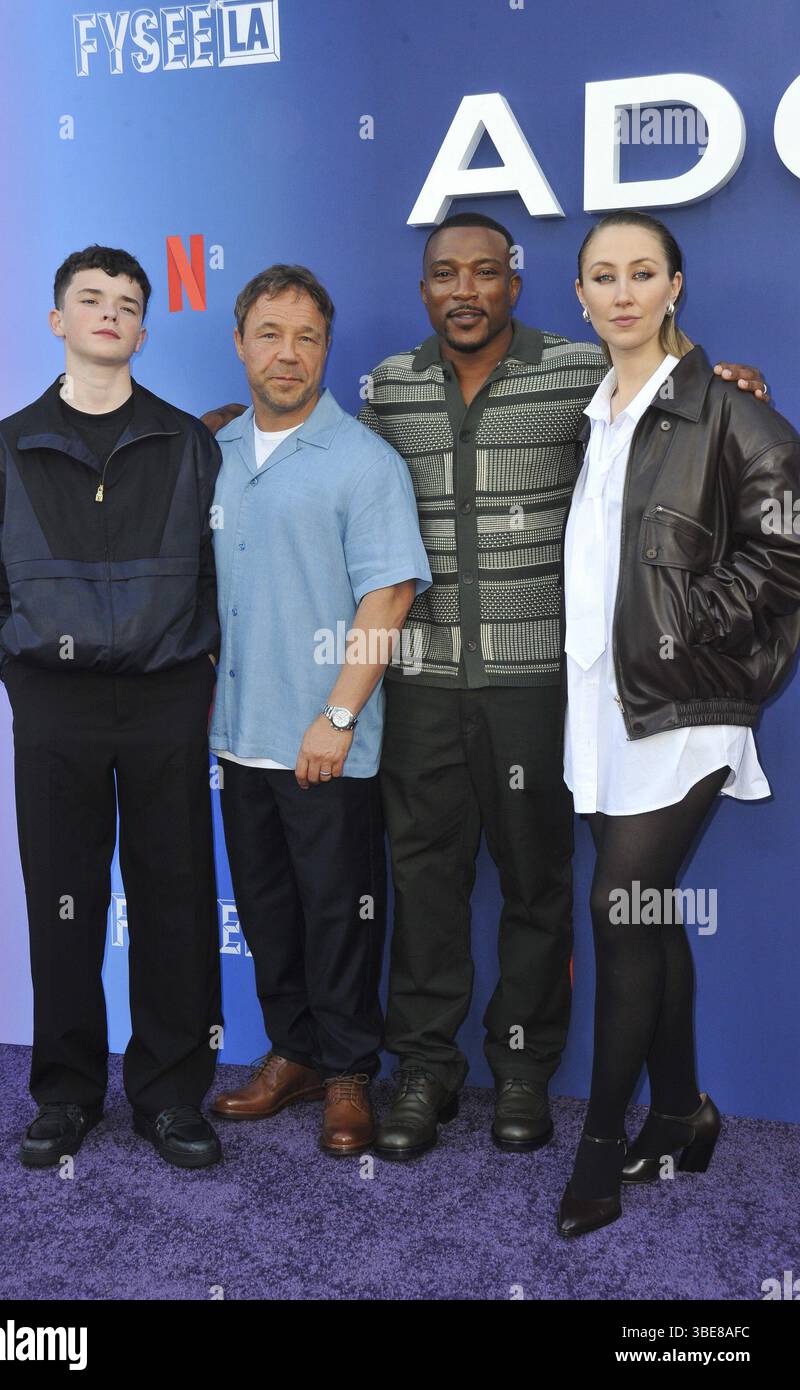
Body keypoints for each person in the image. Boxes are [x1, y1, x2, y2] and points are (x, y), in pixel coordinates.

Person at [355, 211, 768, 1161]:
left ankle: (522, 1073)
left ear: (518, 283)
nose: (465, 290)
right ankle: (424, 1072)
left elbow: (673, 397)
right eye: (445, 274)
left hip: (541, 683)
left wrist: (735, 383)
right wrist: (225, 428)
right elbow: (338, 467)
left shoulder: (579, 372)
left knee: (539, 885)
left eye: (484, 272)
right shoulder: (388, 387)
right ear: (424, 289)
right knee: (424, 884)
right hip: (422, 681)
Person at [0, 245, 225, 1170]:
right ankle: (66, 1093)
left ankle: (170, 1096)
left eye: (128, 303)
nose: (110, 312)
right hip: (55, 706)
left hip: (166, 700)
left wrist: (197, 663)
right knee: (62, 901)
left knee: (174, 899)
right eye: (91, 298)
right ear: (58, 320)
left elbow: (221, 572)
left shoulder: (187, 442)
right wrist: (12, 663)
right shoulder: (7, 445)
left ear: (143, 331)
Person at [557, 210, 800, 1236]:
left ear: (675, 287)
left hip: (684, 706)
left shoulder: (729, 412)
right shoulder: (592, 413)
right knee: (647, 912)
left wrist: (686, 624)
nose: (623, 292)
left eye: (642, 272)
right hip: (597, 708)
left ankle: (599, 1152)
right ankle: (680, 1112)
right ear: (580, 297)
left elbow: (784, 553)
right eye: (603, 276)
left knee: (619, 906)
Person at [206, 264, 431, 1155]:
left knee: (340, 915)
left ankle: (348, 1074)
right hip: (238, 738)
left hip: (326, 740)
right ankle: (293, 1054)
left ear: (327, 349)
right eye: (270, 333)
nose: (288, 353)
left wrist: (337, 718)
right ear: (240, 343)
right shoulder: (213, 454)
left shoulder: (364, 461)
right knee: (267, 911)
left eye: (307, 337)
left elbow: (390, 595)